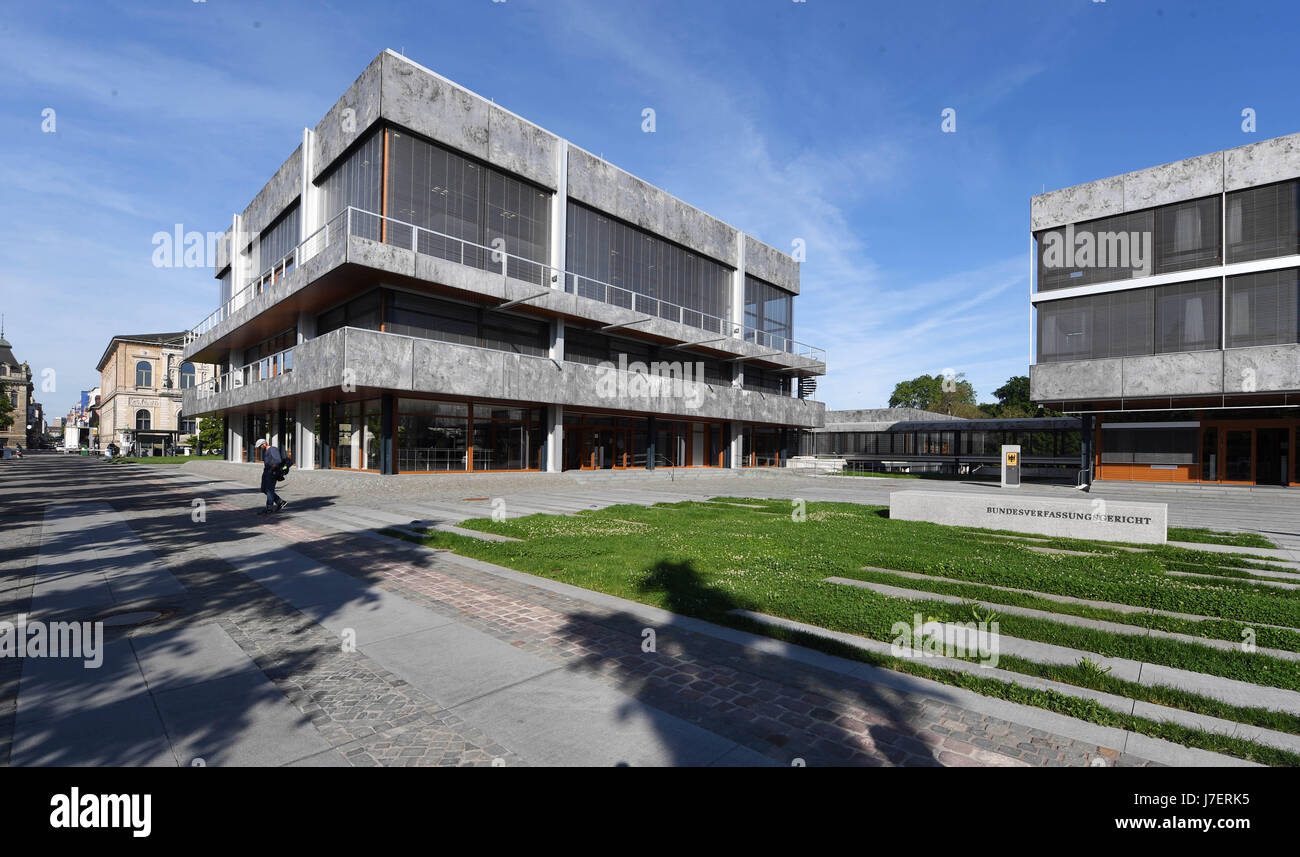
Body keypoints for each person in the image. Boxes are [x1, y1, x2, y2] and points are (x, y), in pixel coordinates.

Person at [256, 438, 289, 513]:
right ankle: (280, 502)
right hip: (266, 472)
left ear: (264, 443)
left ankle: (269, 508)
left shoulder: (273, 449)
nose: (260, 448)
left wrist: (271, 469)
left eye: (260, 446)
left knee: (269, 490)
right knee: (264, 489)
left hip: (272, 473)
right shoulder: (266, 451)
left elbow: (278, 460)